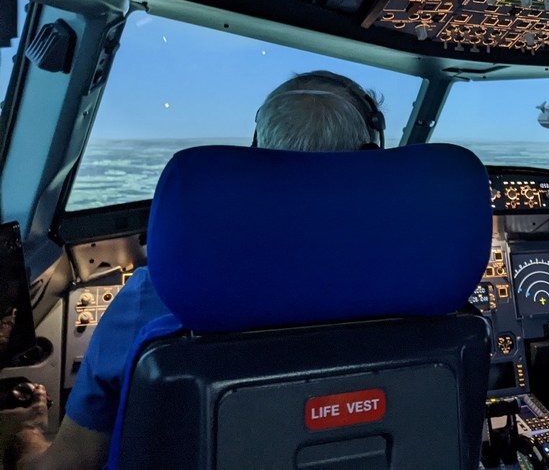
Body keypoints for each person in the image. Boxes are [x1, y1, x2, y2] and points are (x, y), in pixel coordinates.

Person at [1, 71, 383, 470]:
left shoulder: (162, 294)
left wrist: (23, 437)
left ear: (255, 154)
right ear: (369, 161)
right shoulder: (429, 294)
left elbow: (69, 465)